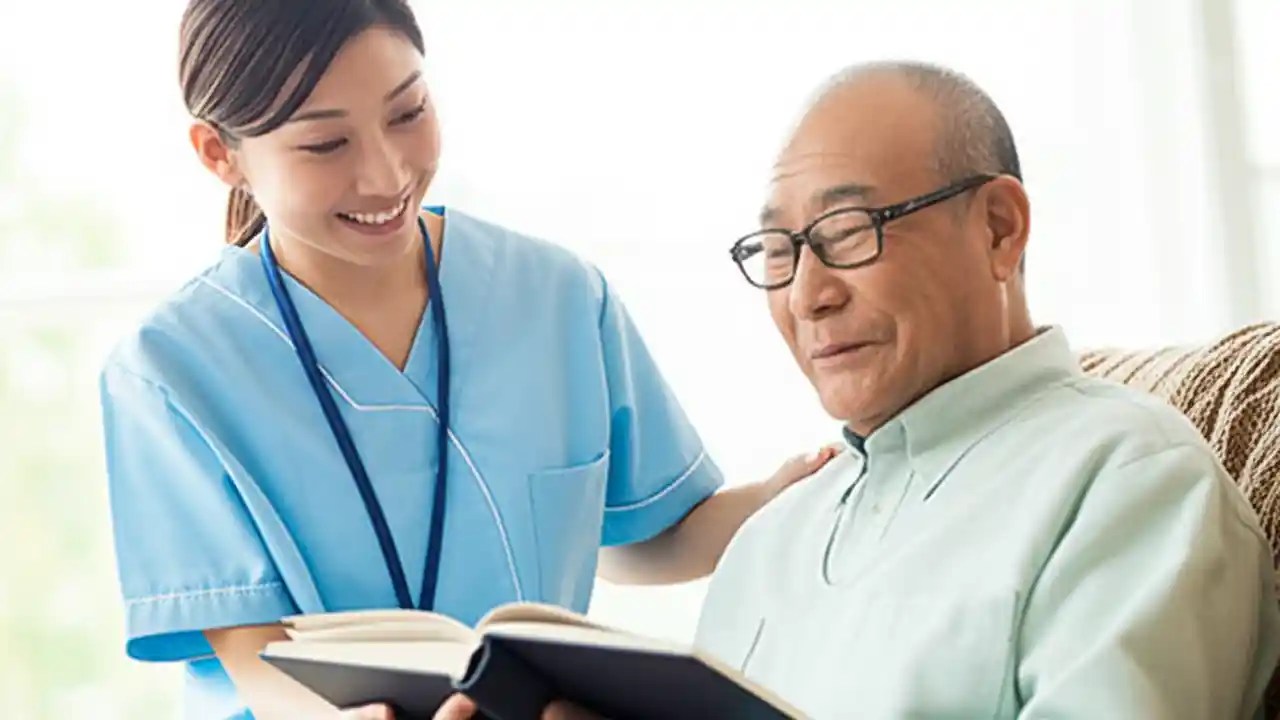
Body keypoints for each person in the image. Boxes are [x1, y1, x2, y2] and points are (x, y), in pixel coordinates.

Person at [455, 61, 1280, 719]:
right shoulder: (773, 540)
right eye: (779, 250)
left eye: (848, 233)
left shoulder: (1133, 483)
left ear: (999, 228)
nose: (808, 293)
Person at [97, 2, 834, 718]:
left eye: (407, 113)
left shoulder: (557, 299)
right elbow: (250, 650)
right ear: (220, 154)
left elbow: (646, 537)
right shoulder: (170, 373)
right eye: (327, 145)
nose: (386, 175)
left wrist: (776, 500)